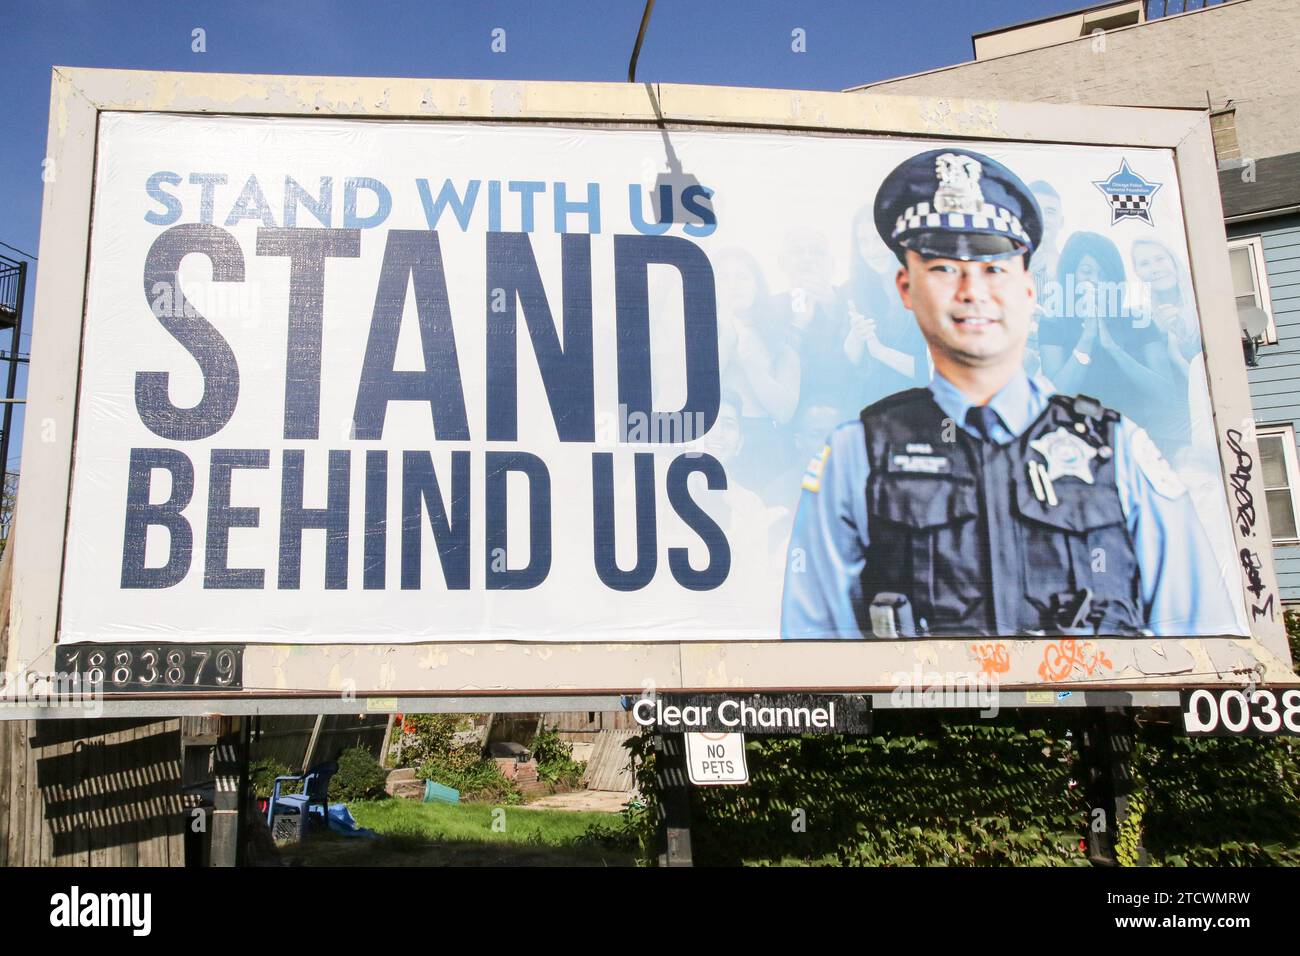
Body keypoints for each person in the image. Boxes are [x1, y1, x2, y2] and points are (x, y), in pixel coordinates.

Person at [780, 147, 1242, 640]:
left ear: (1028, 287)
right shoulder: (855, 456)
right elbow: (817, 667)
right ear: (905, 287)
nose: (971, 290)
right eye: (941, 267)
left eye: (994, 267)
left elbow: (1203, 646)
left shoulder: (1120, 451)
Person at [1038, 231, 1187, 457]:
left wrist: (1114, 349)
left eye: (1104, 273)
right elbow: (1057, 397)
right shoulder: (1054, 324)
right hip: (1074, 445)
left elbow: (1165, 395)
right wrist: (1086, 340)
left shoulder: (1138, 322)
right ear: (1071, 274)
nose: (1096, 280)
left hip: (1134, 445)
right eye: (1087, 272)